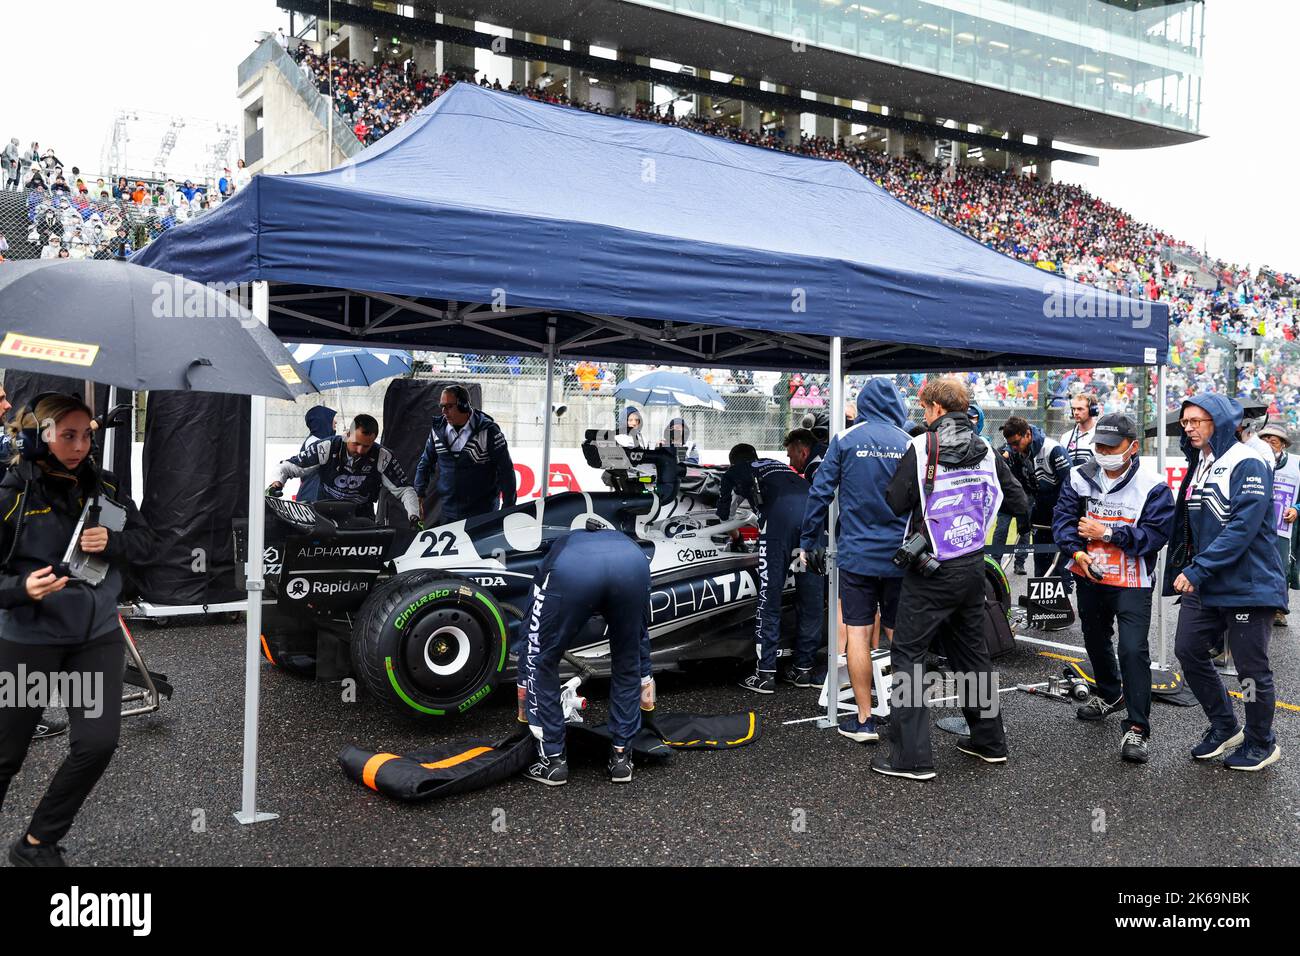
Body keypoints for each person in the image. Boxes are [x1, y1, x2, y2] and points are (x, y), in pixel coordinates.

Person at [0, 394, 157, 866]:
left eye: (87, 434)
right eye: (68, 434)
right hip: (29, 640)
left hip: (96, 636)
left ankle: (36, 843)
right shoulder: (11, 493)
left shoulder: (105, 488)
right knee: (6, 755)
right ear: (39, 435)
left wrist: (115, 541)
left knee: (96, 745)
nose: (81, 444)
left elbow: (148, 544)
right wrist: (19, 588)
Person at [873, 377, 1028, 781]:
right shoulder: (988, 449)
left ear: (937, 409)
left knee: (908, 656)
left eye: (924, 408)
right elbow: (1019, 503)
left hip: (931, 568)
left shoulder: (922, 446)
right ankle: (989, 743)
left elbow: (895, 501)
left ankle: (911, 759)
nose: (923, 415)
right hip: (973, 565)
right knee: (972, 656)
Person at [1166, 394, 1287, 772]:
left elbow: (1242, 528)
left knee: (1252, 671)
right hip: (1207, 583)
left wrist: (1197, 570)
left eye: (1198, 421)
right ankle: (1224, 725)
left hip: (1248, 585)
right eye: (1186, 422)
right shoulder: (1200, 462)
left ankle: (1260, 741)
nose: (1190, 427)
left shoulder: (1247, 460)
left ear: (1221, 422)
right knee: (1187, 651)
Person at [1052, 414, 1174, 763]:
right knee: (1093, 638)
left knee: (1133, 649)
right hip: (1089, 573)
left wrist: (1107, 534)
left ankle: (1137, 728)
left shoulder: (1154, 485)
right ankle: (1109, 693)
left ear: (1133, 447)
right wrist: (1077, 551)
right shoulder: (1080, 476)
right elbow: (1063, 521)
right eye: (1099, 445)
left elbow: (1154, 536)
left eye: (1111, 446)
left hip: (1132, 580)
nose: (1103, 452)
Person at [798, 379, 910, 743]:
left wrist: (808, 540)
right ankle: (908, 720)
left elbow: (819, 491)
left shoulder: (846, 439)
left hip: (858, 553)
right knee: (901, 636)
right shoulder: (908, 442)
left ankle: (864, 721)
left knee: (858, 635)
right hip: (900, 554)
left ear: (862, 403)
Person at [521, 526, 651, 786]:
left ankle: (552, 761)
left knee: (541, 659)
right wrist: (648, 698)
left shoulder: (561, 548)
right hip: (633, 564)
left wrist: (524, 709)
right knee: (628, 658)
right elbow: (640, 643)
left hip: (573, 569)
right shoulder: (625, 542)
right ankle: (622, 757)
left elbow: (531, 641)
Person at [718, 443, 823, 692]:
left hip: (779, 527)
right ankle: (803, 670)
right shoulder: (780, 467)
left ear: (734, 461)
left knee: (770, 596)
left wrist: (737, 536)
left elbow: (724, 513)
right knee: (810, 597)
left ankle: (765, 673)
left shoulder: (736, 471)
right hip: (811, 522)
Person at [269, 413, 420, 525]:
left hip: (360, 516)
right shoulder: (327, 447)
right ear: (347, 434)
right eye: (356, 443)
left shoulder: (382, 456)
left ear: (374, 441)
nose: (360, 450)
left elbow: (405, 489)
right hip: (324, 512)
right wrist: (277, 484)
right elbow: (288, 467)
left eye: (366, 446)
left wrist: (414, 515)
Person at [413, 386, 516, 523]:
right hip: (448, 511)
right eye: (442, 406)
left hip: (483, 512)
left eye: (449, 406)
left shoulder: (488, 431)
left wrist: (508, 507)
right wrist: (418, 496)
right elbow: (425, 464)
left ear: (464, 405)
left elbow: (506, 471)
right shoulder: (437, 430)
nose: (444, 412)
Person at [1001, 416, 1072, 588]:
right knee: (1041, 557)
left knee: (1060, 556)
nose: (1014, 448)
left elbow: (1070, 485)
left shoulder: (1052, 449)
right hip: (1039, 507)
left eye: (1016, 443)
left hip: (1060, 508)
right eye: (1010, 444)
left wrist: (1064, 514)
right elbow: (1019, 486)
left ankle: (1064, 594)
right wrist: (1024, 515)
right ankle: (1041, 595)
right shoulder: (1016, 453)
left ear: (1027, 434)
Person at [1257, 422, 1298, 626]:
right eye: (1264, 440)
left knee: (1282, 565)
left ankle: (1279, 609)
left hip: (1284, 525)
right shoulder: (1252, 460)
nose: (1268, 444)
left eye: (1273, 441)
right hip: (1256, 523)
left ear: (1282, 445)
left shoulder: (1296, 464)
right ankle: (1260, 606)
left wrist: (1297, 508)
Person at [294, 405, 337, 503]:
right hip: (312, 497)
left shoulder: (320, 440)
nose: (335, 422)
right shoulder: (315, 442)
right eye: (332, 419)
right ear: (323, 422)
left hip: (316, 496)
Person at [1059, 392, 1100, 467]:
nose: (1076, 412)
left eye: (1080, 409)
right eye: (1074, 409)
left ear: (1092, 411)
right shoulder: (1066, 438)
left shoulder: (1101, 436)